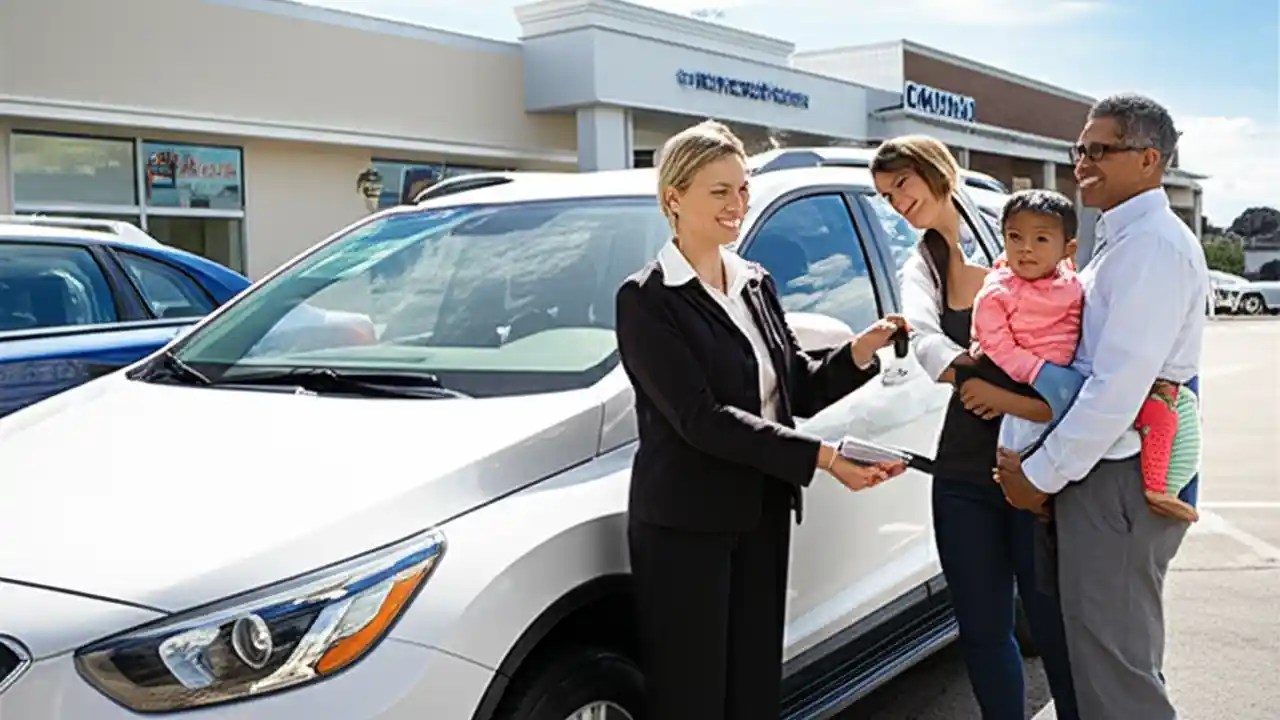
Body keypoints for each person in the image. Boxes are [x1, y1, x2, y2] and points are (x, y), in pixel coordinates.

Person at [614, 119, 908, 720]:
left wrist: (861, 350)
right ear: (674, 198)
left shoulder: (755, 283)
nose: (737, 205)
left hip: (762, 512)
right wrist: (823, 458)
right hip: (688, 527)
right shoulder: (647, 298)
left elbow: (792, 385)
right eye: (719, 191)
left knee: (752, 689)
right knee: (693, 697)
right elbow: (701, 419)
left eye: (742, 188)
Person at [994, 93, 1209, 720]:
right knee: (1103, 660)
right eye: (1079, 149)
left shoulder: (1151, 250)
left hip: (1120, 475)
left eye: (1098, 149)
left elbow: (1114, 389)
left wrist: (1038, 475)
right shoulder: (1122, 241)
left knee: (1118, 677)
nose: (1082, 162)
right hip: (1104, 471)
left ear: (1149, 160)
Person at [871, 135, 1080, 720]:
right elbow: (924, 340)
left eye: (902, 185)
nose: (897, 202)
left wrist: (1013, 395)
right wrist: (973, 383)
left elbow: (1073, 330)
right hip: (964, 470)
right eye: (887, 195)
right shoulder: (920, 265)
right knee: (984, 631)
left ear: (934, 172)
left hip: (1036, 466)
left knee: (1052, 624)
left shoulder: (1010, 226)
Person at [975, 190, 1201, 523]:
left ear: (1067, 248)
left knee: (1171, 419)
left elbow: (1121, 377)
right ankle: (1039, 503)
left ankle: (1161, 489)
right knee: (1020, 448)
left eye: (1040, 239)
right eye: (1015, 237)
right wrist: (1037, 370)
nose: (1026, 248)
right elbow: (993, 341)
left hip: (1078, 395)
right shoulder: (999, 291)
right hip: (1035, 382)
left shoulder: (1087, 272)